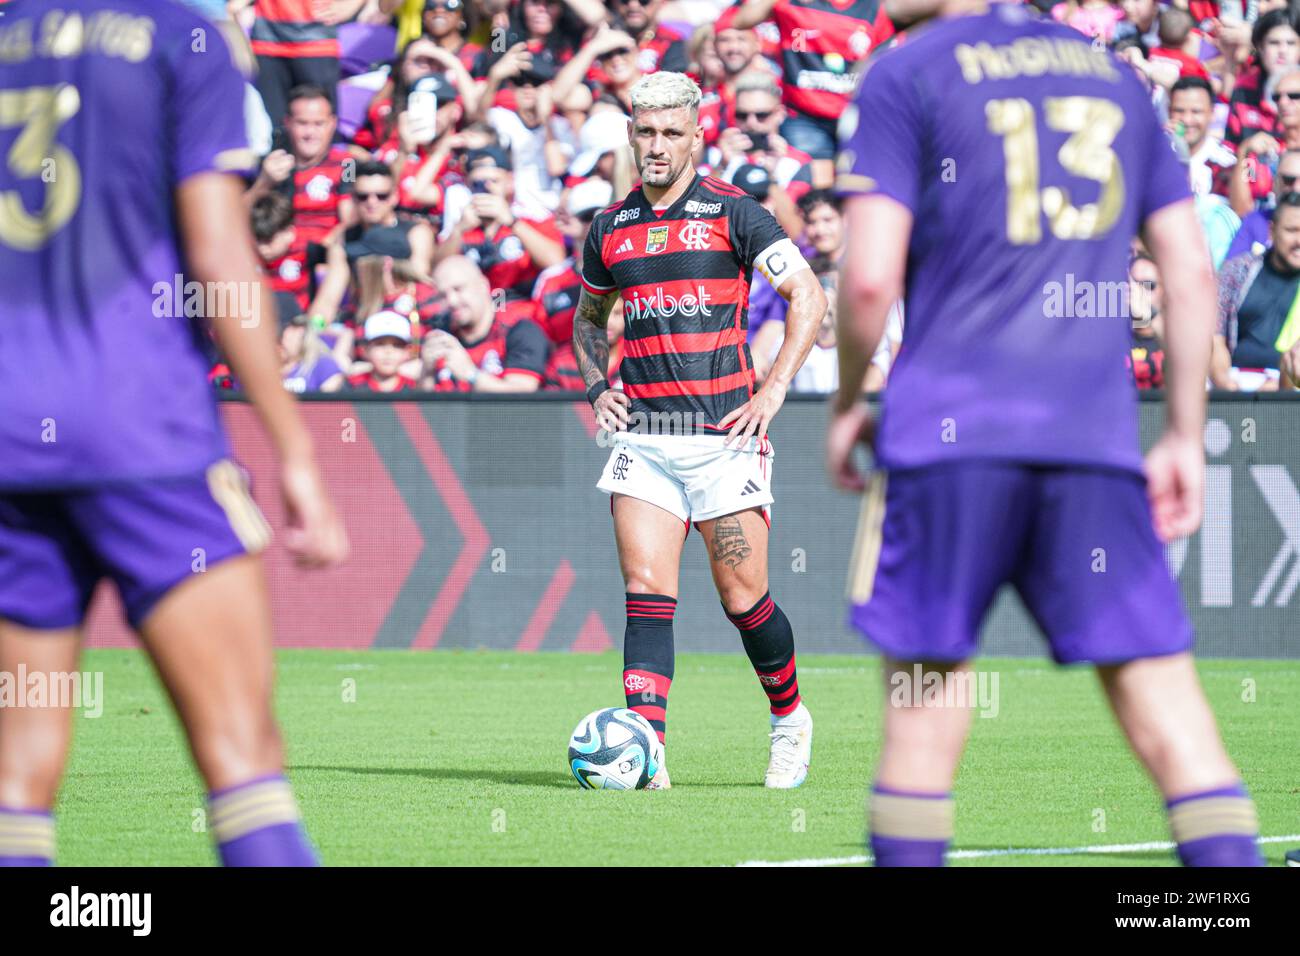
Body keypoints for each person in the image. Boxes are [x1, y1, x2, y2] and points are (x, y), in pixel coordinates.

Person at [829, 0, 1263, 866]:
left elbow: (871, 279)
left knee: (921, 726)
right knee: (1175, 725)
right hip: (1090, 445)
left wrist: (846, 403)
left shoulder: (908, 71)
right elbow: (1188, 271)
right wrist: (1181, 432)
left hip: (945, 446)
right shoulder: (1114, 78)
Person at [0, 0, 348, 867]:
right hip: (140, 427)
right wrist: (294, 448)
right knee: (244, 765)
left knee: (14, 788)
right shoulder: (180, 34)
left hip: (9, 436)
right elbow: (220, 258)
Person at [572, 71, 828, 789]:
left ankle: (789, 719)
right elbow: (588, 320)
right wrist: (598, 387)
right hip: (645, 441)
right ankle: (647, 751)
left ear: (697, 135)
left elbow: (808, 294)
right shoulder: (610, 228)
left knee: (743, 598)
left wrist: (774, 388)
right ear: (631, 134)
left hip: (725, 441)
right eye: (645, 132)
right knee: (645, 589)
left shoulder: (736, 215)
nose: (656, 146)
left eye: (670, 133)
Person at [422, 257, 550, 391]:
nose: (452, 301)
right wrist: (426, 374)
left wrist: (471, 375)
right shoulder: (441, 336)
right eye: (443, 295)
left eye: (458, 289)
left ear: (483, 285)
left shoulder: (519, 330)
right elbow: (423, 408)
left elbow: (524, 398)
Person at [1213, 192, 1300, 390]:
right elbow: (1214, 337)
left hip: (1290, 387)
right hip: (1233, 383)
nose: (1298, 241)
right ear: (1272, 231)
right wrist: (1226, 384)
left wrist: (1279, 387)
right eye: (1291, 230)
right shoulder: (1237, 270)